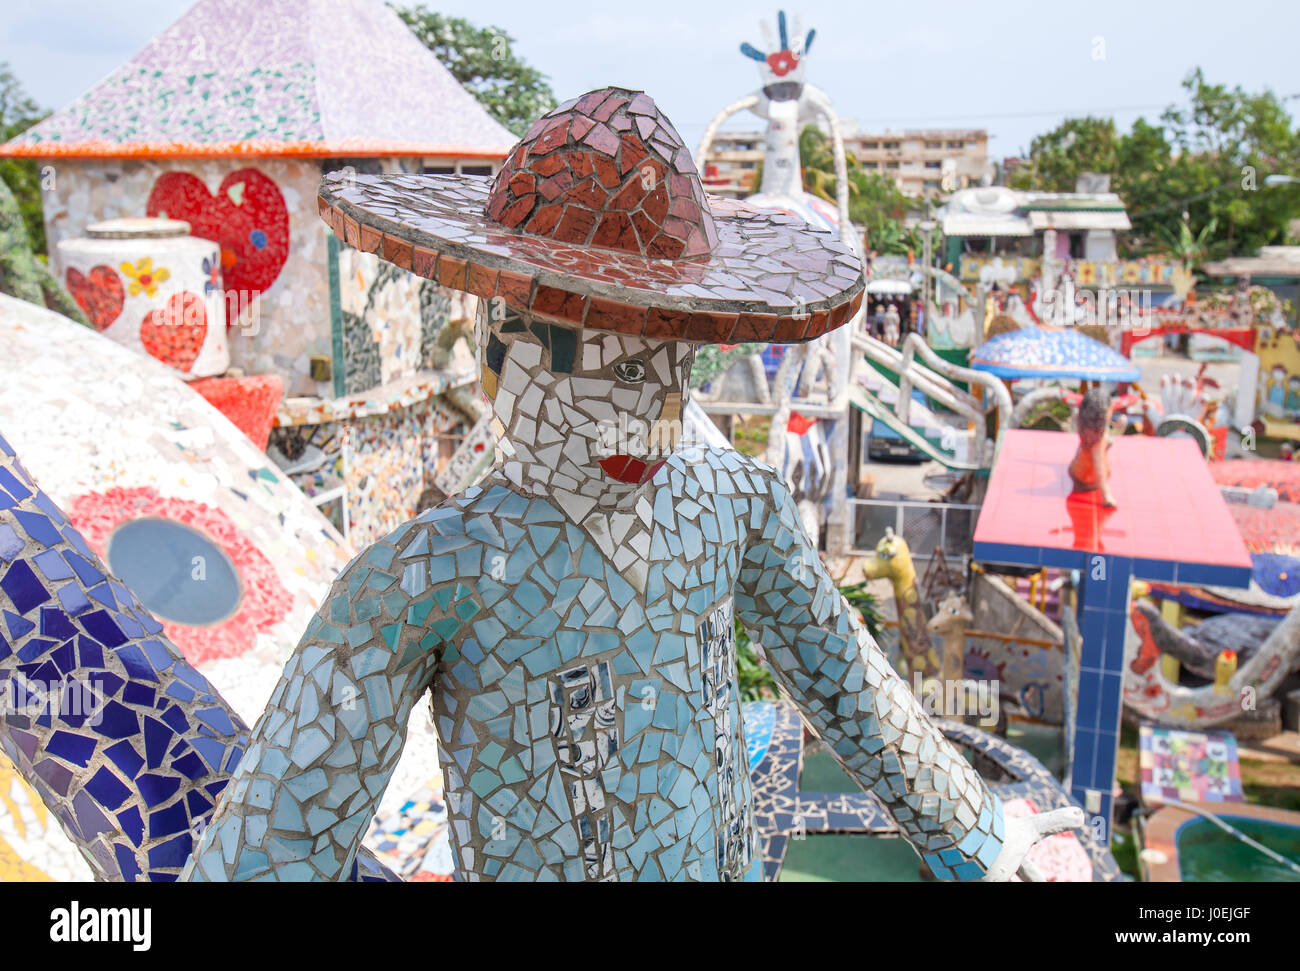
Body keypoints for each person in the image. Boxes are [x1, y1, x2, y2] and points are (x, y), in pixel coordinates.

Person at [183, 88, 1079, 882]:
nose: (646, 414)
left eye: (670, 366)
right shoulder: (427, 576)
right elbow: (279, 830)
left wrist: (985, 845)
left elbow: (852, 688)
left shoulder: (733, 506)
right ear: (501, 349)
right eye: (595, 363)